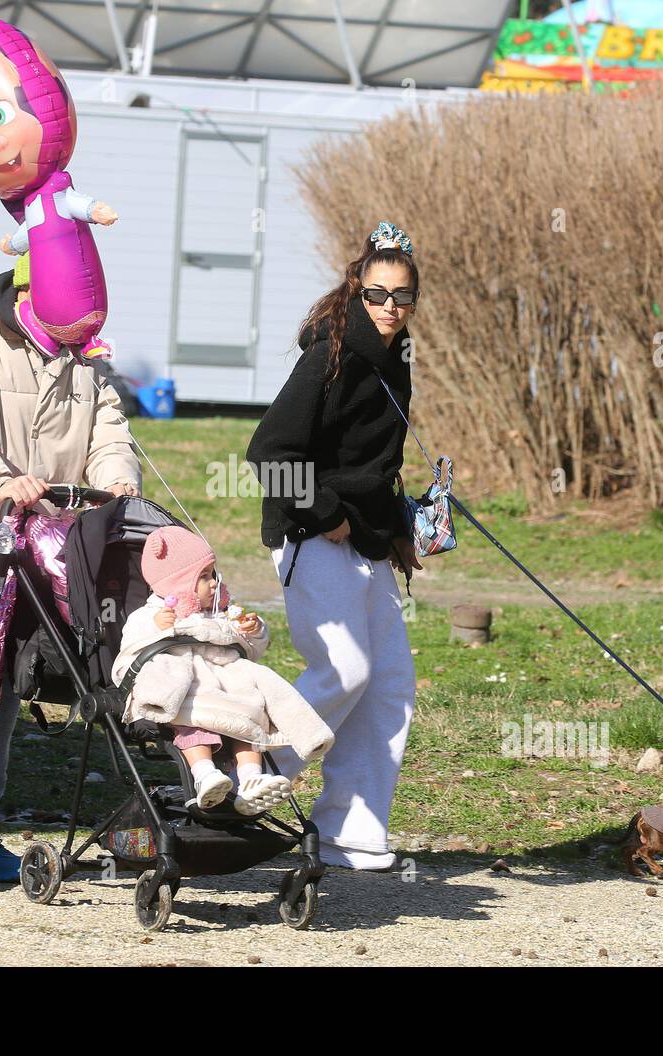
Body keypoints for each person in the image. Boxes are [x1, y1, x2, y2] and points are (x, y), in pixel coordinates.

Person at [0, 265, 140, 885]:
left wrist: (118, 477)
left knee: (10, 681)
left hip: (46, 537)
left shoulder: (81, 352)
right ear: (29, 292)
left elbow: (109, 428)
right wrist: (1, 480)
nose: (74, 336)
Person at [244, 220, 423, 870]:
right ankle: (252, 769)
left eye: (402, 297)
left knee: (389, 686)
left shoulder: (395, 361)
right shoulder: (329, 354)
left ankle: (350, 829)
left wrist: (398, 530)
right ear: (357, 289)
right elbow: (268, 452)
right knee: (344, 669)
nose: (389, 308)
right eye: (377, 294)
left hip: (369, 540)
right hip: (310, 535)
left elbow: (375, 464)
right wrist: (327, 514)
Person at [112, 526, 334, 814]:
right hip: (189, 690)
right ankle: (205, 774)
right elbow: (131, 643)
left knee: (248, 718)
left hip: (227, 687)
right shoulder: (151, 614)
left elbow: (251, 650)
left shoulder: (221, 614)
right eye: (203, 577)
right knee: (196, 723)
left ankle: (252, 779)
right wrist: (157, 626)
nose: (214, 583)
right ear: (178, 585)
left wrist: (251, 631)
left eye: (213, 574)